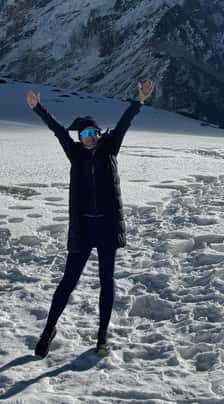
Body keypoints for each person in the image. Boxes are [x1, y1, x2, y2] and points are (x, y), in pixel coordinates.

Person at [26, 78, 154, 357]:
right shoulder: (75, 155)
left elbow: (124, 124)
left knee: (106, 280)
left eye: (93, 133)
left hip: (106, 228)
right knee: (68, 281)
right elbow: (58, 131)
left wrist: (140, 100)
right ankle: (49, 329)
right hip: (84, 228)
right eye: (84, 136)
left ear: (99, 133)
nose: (89, 139)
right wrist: (39, 109)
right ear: (80, 139)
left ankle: (102, 336)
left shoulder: (110, 149)